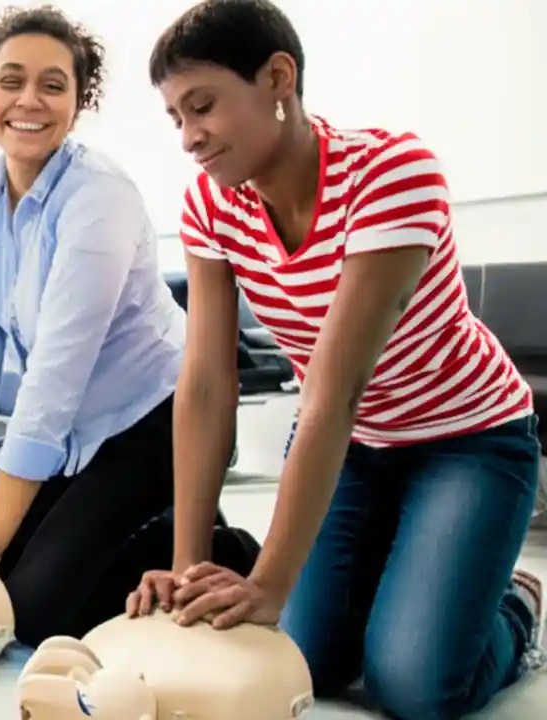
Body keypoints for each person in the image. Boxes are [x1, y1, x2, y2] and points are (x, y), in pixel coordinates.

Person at [129, 1, 545, 717]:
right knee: (305, 663)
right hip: (352, 449)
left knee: (415, 686)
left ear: (278, 79)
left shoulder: (391, 171)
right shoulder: (211, 204)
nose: (190, 137)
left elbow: (336, 386)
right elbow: (204, 386)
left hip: (467, 441)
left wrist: (270, 582)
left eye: (203, 107)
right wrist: (187, 567)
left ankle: (518, 605)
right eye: (175, 118)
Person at [0, 5, 259, 648]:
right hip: (78, 435)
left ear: (77, 103)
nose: (30, 100)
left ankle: (223, 547)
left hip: (160, 420)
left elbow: (56, 375)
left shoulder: (99, 197)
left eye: (53, 85)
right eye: (12, 80)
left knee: (33, 610)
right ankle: (143, 535)